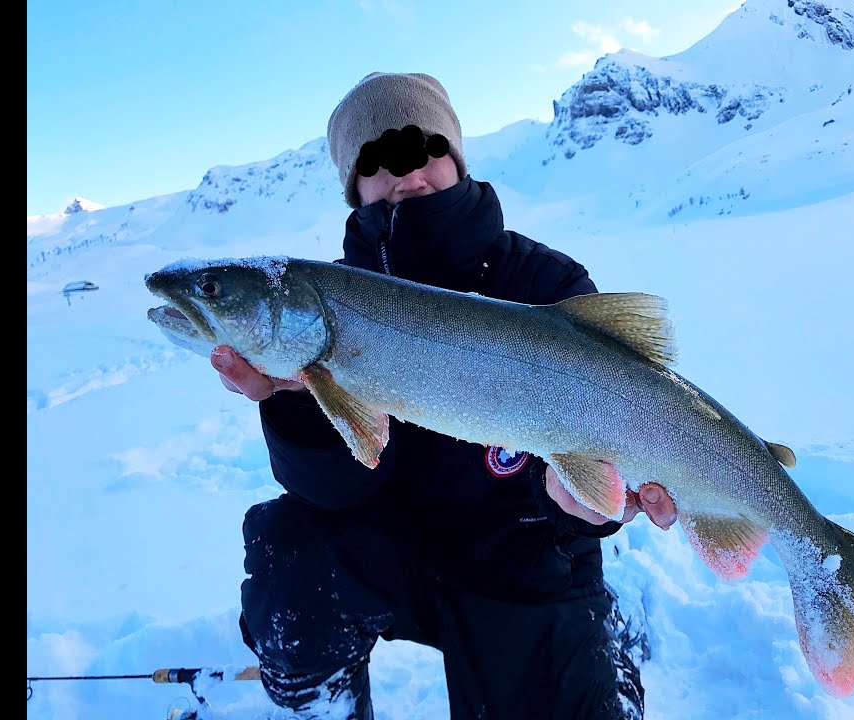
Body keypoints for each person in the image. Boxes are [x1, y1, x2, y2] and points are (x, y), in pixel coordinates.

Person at [211, 71, 678, 720]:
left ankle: (607, 630)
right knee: (290, 540)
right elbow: (336, 493)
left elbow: (601, 452)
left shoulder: (546, 280)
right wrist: (296, 401)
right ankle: (319, 704)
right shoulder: (325, 306)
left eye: (418, 145)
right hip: (400, 554)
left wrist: (581, 508)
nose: (404, 172)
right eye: (375, 160)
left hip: (524, 560)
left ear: (453, 155)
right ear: (355, 185)